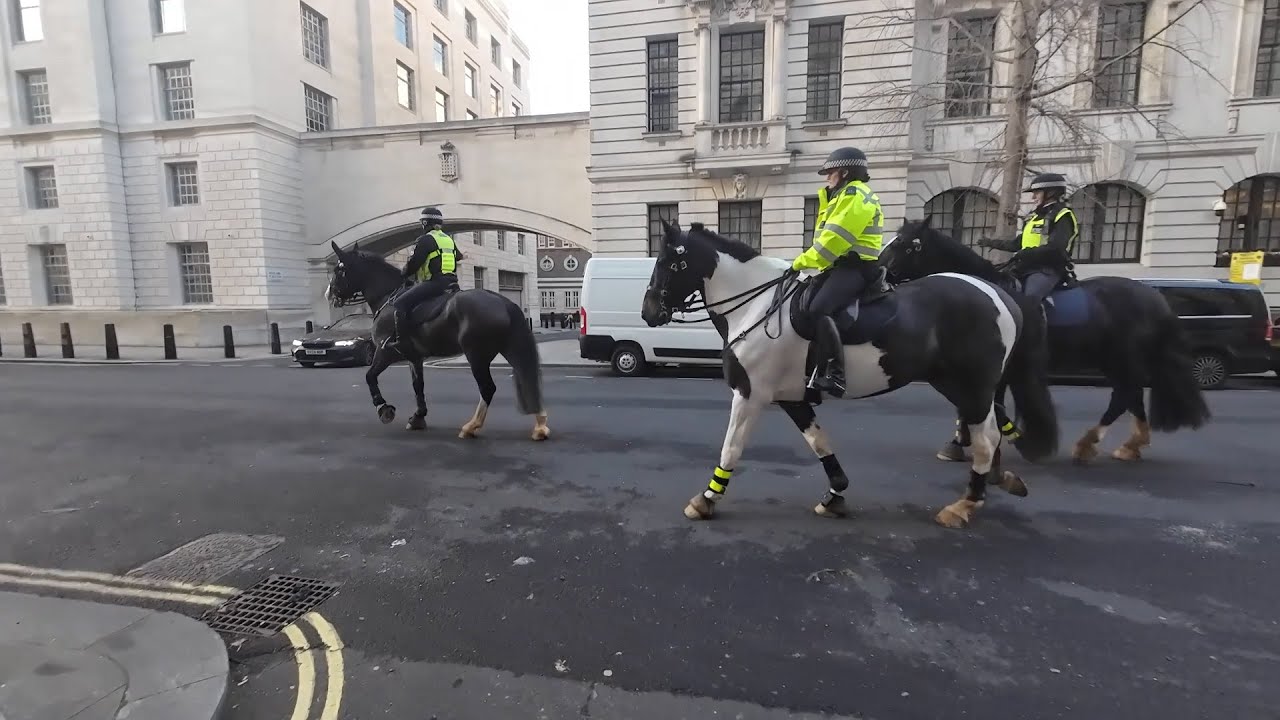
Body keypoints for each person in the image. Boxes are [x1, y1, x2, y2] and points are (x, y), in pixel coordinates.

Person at [793, 146, 886, 399]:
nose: (827, 178)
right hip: (838, 266)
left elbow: (833, 241)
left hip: (855, 267)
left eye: (830, 172)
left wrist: (799, 263)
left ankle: (836, 375)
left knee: (818, 308)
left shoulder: (855, 196)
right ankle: (812, 372)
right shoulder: (842, 195)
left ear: (844, 172)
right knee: (803, 303)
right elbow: (824, 236)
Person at [979, 172, 1079, 303]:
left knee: (1029, 300)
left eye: (1037, 193)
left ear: (1051, 193)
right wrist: (991, 243)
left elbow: (1055, 248)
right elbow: (1017, 244)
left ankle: (1036, 322)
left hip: (1046, 270)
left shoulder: (1063, 216)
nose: (1033, 197)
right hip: (1023, 267)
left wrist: (1026, 254)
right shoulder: (1033, 217)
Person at [386, 206, 464, 354]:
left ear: (425, 223)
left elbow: (414, 264)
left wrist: (403, 274)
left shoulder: (425, 240)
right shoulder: (448, 239)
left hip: (433, 283)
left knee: (399, 304)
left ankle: (402, 342)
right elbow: (458, 256)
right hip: (452, 282)